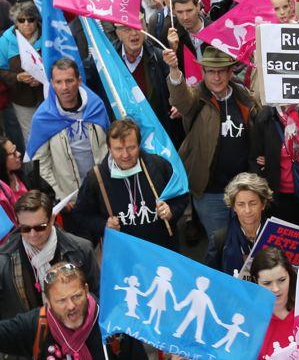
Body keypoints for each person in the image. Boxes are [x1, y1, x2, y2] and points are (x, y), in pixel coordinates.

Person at [164, 46, 257, 256]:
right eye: (211, 71)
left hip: (242, 190)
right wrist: (174, 70)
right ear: (203, 73)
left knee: (244, 240)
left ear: (230, 72)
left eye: (221, 71)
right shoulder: (197, 97)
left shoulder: (243, 96)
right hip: (210, 192)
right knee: (220, 244)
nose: (216, 77)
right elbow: (181, 100)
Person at [67, 118, 188, 250]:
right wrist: (104, 224)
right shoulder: (96, 178)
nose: (125, 155)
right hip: (125, 255)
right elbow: (80, 215)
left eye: (131, 147)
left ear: (139, 144)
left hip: (162, 251)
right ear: (109, 148)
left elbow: (182, 196)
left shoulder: (158, 165)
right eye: (118, 149)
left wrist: (171, 211)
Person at [0, 262, 147, 359]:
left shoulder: (114, 323)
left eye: (76, 296)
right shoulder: (37, 325)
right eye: (61, 300)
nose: (71, 306)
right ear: (48, 301)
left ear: (87, 290)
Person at [0, 191, 99, 320]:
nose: (33, 234)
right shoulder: (4, 258)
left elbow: (97, 295)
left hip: (77, 329)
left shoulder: (81, 249)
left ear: (52, 219)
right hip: (30, 336)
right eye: (25, 228)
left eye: (40, 227)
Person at [28, 59, 109, 206]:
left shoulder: (96, 106)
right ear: (52, 83)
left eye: (69, 81)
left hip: (104, 190)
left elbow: (109, 147)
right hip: (70, 200)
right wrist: (59, 198)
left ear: (79, 81)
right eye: (58, 82)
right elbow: (41, 166)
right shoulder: (43, 118)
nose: (64, 87)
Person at [113, 20, 184, 148]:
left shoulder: (159, 57)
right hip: (123, 142)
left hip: (157, 138)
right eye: (127, 29)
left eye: (137, 27)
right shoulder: (107, 59)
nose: (134, 33)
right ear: (118, 34)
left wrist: (179, 105)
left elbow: (174, 91)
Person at [207, 172, 273, 274]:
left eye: (253, 203)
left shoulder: (277, 234)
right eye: (241, 204)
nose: (247, 210)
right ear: (233, 207)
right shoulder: (219, 239)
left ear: (263, 204)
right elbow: (212, 276)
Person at [0, 2, 43, 144]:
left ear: (37, 19)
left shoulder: (48, 36)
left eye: (31, 19)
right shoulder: (5, 41)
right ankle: (36, 166)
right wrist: (17, 77)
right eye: (21, 20)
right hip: (22, 99)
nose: (26, 24)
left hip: (48, 95)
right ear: (15, 22)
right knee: (31, 137)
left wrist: (43, 78)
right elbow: (1, 70)